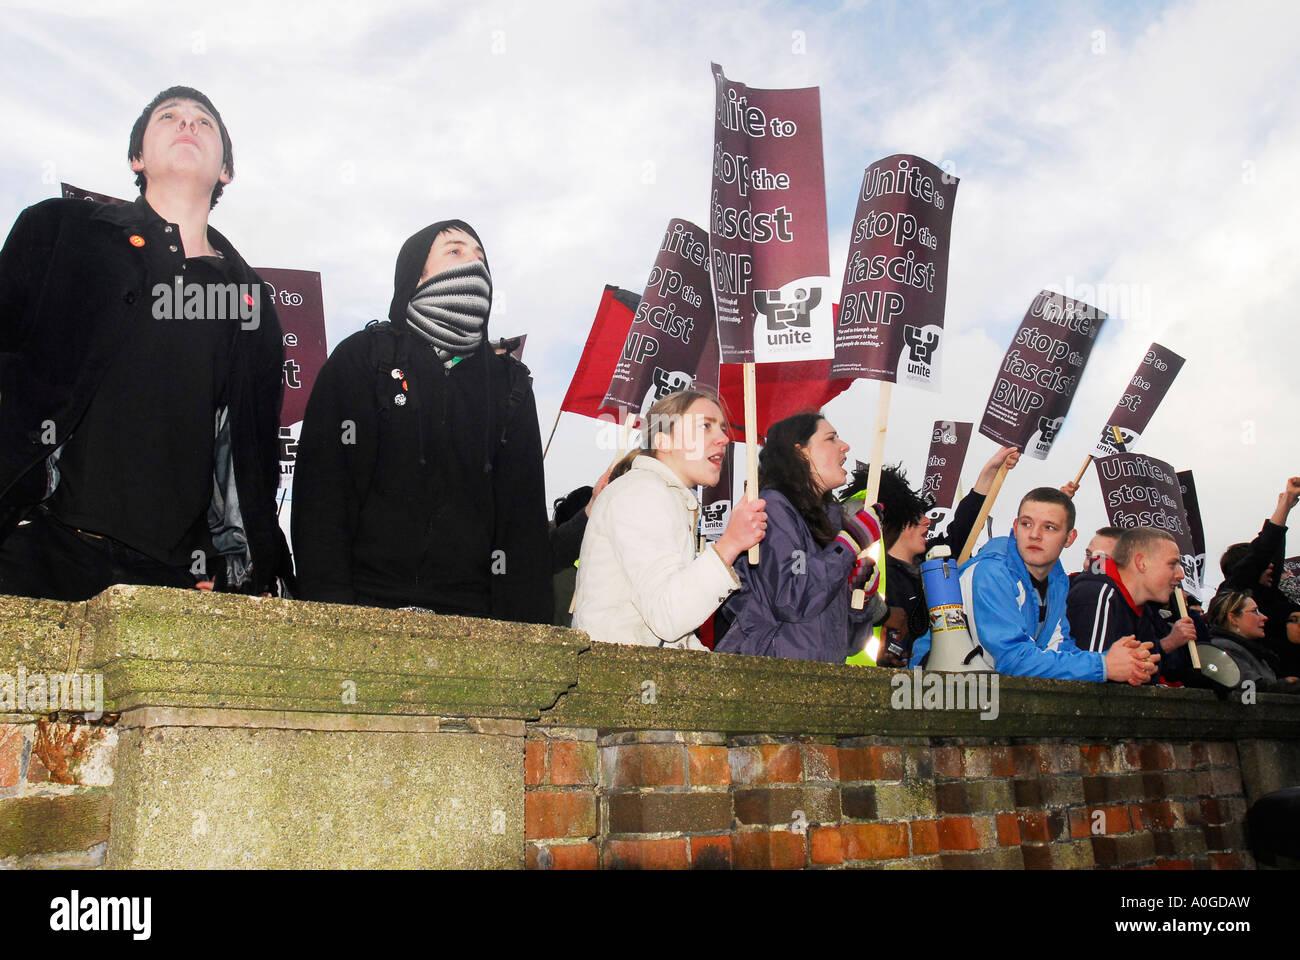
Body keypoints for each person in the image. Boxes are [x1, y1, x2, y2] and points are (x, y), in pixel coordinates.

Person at [0, 86, 286, 600]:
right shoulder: (58, 231)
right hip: (32, 545)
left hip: (171, 579)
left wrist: (236, 563)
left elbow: (249, 453)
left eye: (205, 122)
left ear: (226, 171)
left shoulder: (252, 303)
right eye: (169, 117)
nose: (188, 125)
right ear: (137, 157)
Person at [291, 220, 552, 622]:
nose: (475, 264)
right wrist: (330, 614)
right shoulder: (363, 359)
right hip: (365, 607)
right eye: (455, 251)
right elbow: (323, 498)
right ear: (416, 274)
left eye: (481, 258)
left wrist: (528, 638)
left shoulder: (510, 385)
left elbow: (523, 526)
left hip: (473, 622)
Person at [571, 390, 766, 649]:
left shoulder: (662, 494)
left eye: (721, 428)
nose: (723, 438)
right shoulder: (643, 492)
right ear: (663, 441)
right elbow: (668, 616)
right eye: (705, 426)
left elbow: (669, 632)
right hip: (622, 679)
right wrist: (729, 544)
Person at [910, 487, 1158, 684]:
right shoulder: (989, 572)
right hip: (942, 693)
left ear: (1069, 538)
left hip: (985, 694)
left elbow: (1058, 646)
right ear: (1015, 528)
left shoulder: (1057, 581)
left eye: (1049, 527)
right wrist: (1103, 666)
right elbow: (1011, 660)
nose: (1035, 535)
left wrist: (1127, 662)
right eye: (1027, 524)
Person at [714, 413, 885, 663]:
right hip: (769, 677)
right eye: (831, 438)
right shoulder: (771, 508)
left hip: (821, 681)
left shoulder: (830, 522)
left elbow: (850, 643)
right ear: (800, 452)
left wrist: (858, 597)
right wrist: (848, 544)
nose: (845, 446)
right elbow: (790, 599)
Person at [845, 446, 1020, 665]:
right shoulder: (876, 572)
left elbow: (963, 530)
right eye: (917, 517)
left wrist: (990, 472)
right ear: (896, 522)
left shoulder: (932, 567)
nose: (928, 522)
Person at [1066, 526, 1196, 683]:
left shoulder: (1141, 608)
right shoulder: (1098, 594)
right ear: (1141, 563)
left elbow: (1149, 674)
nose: (1180, 574)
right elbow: (1088, 682)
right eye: (1172, 564)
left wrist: (1144, 668)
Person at [1213, 477, 1300, 648]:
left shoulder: (1271, 596)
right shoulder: (1234, 592)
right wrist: (1286, 503)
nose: (1272, 568)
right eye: (1265, 566)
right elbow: (1263, 550)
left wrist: (1284, 506)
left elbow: (1273, 550)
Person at [1203, 590, 1300, 695]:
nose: (1264, 617)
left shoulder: (1252, 651)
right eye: (1255, 611)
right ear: (1234, 619)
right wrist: (1287, 685)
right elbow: (1250, 688)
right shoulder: (1223, 649)